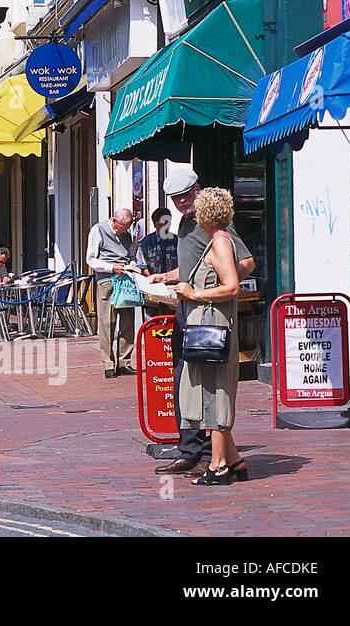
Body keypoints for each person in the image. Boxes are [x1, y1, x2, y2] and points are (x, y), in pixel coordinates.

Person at [149, 166, 255, 478]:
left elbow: (242, 266)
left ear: (198, 190)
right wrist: (167, 279)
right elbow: (195, 269)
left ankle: (210, 457)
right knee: (190, 383)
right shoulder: (184, 224)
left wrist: (205, 295)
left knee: (209, 387)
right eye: (175, 198)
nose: (181, 203)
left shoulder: (216, 229)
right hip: (189, 311)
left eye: (185, 196)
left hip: (206, 316)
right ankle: (220, 456)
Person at [174, 187, 248, 486]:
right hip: (212, 322)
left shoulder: (219, 243)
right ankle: (234, 461)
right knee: (211, 390)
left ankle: (217, 467)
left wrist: (195, 293)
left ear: (205, 214)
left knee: (214, 393)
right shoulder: (217, 241)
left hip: (212, 327)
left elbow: (231, 287)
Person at [88, 208, 137, 379]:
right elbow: (91, 259)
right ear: (114, 220)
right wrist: (111, 268)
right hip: (107, 280)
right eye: (121, 228)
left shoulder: (127, 234)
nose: (123, 231)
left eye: (126, 228)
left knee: (127, 323)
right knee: (107, 322)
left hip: (125, 280)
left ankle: (124, 362)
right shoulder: (98, 229)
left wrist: (131, 264)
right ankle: (108, 364)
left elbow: (131, 254)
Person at [136, 207, 178, 309]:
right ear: (155, 225)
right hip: (152, 288)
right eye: (160, 225)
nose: (164, 227)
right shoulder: (145, 243)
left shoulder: (177, 241)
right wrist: (155, 282)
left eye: (166, 224)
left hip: (173, 288)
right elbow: (142, 266)